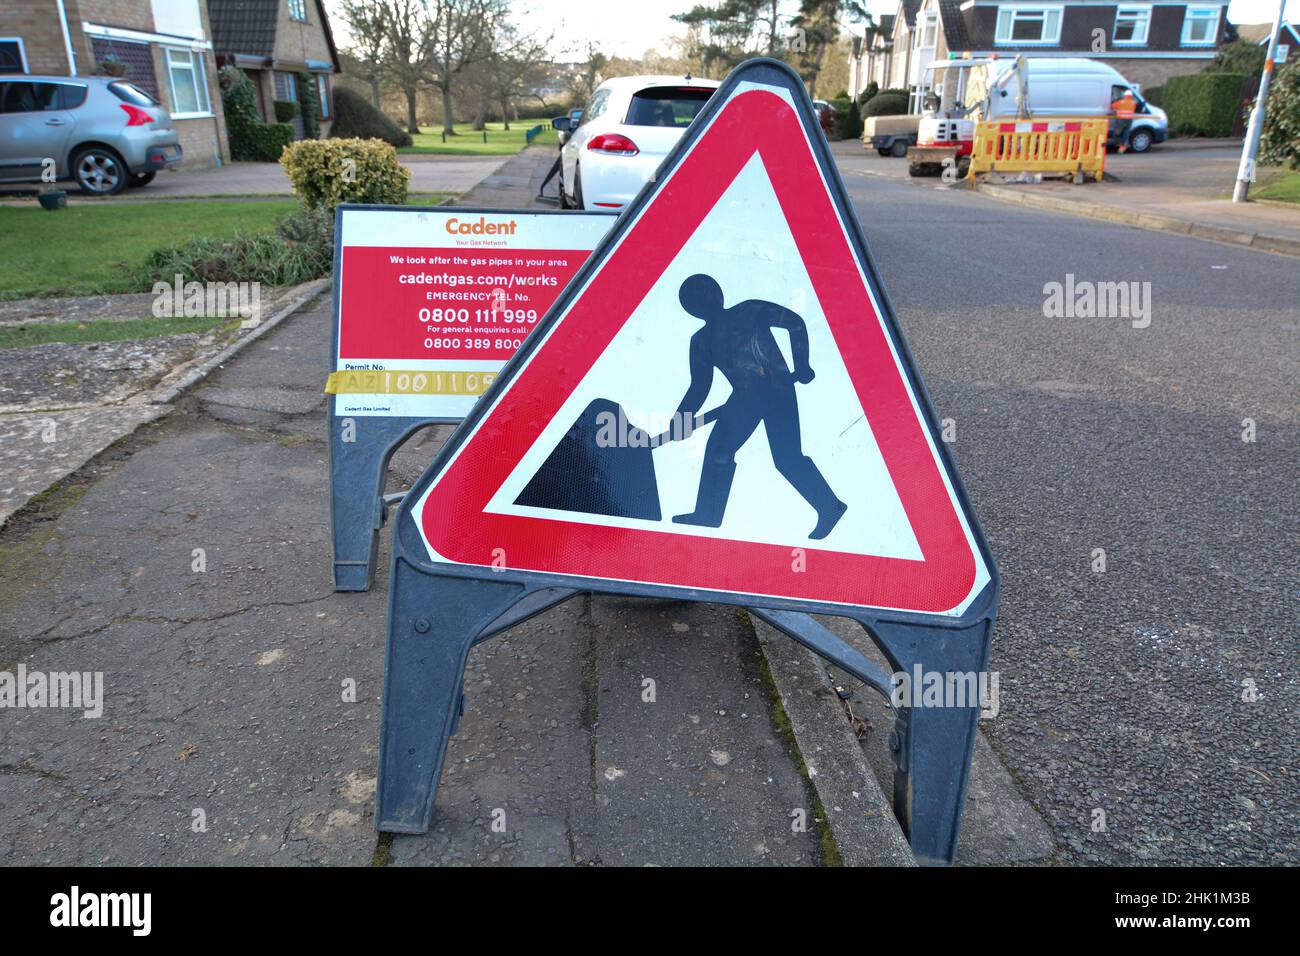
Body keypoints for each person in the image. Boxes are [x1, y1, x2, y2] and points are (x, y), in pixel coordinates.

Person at [672, 274, 846, 540]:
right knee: (718, 450)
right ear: (690, 308)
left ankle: (830, 507)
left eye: (705, 292)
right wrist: (681, 419)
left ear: (717, 293)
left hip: (778, 390)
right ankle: (707, 515)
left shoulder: (750, 310)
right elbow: (700, 386)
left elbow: (795, 324)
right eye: (695, 298)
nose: (703, 300)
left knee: (787, 458)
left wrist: (802, 364)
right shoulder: (701, 341)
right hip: (744, 399)